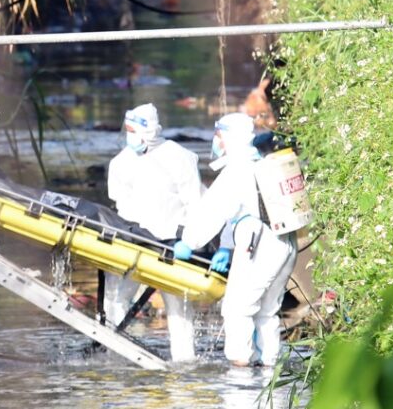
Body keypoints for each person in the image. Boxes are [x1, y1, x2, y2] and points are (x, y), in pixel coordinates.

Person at [173, 112, 298, 368]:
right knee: (266, 311)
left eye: (218, 135)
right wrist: (228, 248)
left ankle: (240, 380)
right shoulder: (262, 163)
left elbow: (211, 213)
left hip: (259, 244)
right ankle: (269, 372)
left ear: (229, 138)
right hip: (285, 241)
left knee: (237, 309)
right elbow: (240, 213)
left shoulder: (236, 171)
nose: (215, 141)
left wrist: (189, 242)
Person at [105, 103, 202, 362]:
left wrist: (190, 240)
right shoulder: (120, 163)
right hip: (132, 244)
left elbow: (194, 204)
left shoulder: (180, 158)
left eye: (133, 130)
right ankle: (116, 359)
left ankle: (185, 364)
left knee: (179, 312)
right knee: (115, 302)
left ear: (148, 130)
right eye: (127, 130)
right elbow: (119, 205)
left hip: (171, 246)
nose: (129, 136)